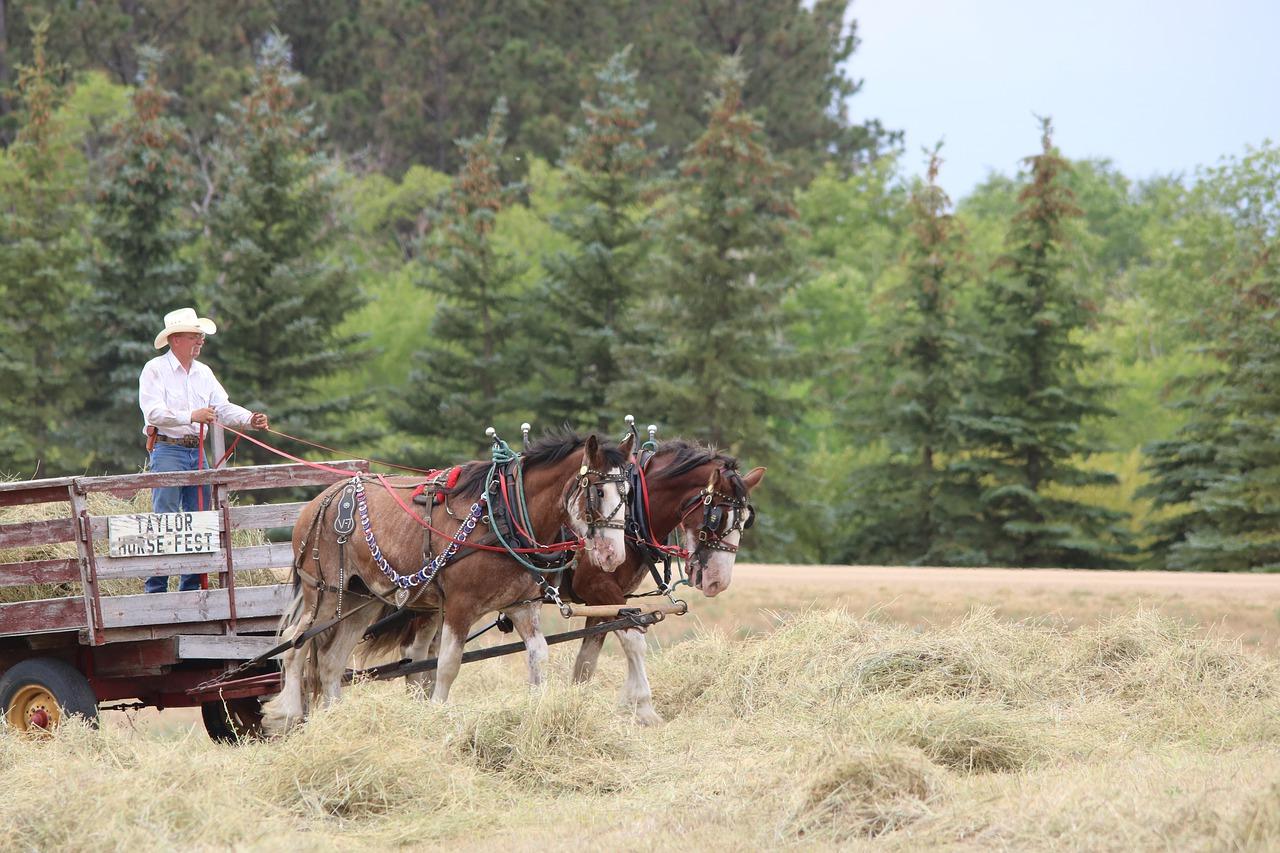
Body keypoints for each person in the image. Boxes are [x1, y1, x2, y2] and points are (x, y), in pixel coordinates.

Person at [138, 308, 269, 594]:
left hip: (195, 452)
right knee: (167, 520)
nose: (200, 341)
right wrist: (191, 416)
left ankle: (191, 590)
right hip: (168, 449)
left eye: (200, 337)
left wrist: (249, 418)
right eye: (194, 336)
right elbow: (154, 412)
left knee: (199, 521)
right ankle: (157, 590)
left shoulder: (203, 373)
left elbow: (222, 407)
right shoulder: (154, 370)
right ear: (175, 340)